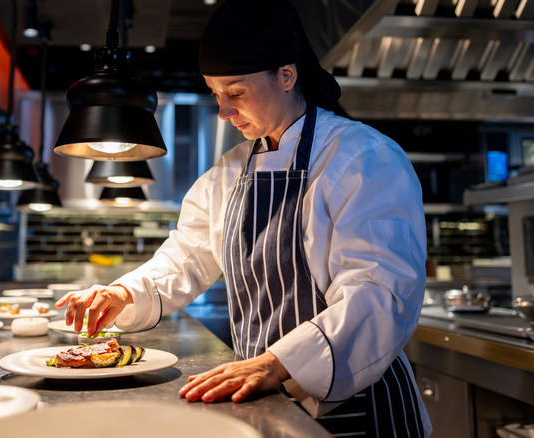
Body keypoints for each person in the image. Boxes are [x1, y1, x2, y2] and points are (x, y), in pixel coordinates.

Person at [55, 0, 432, 435]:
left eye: (235, 93)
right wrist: (124, 293)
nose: (223, 111)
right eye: (215, 95)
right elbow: (187, 254)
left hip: (359, 406)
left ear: (286, 76)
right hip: (265, 396)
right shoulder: (231, 169)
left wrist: (280, 362)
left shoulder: (363, 157)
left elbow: (379, 292)